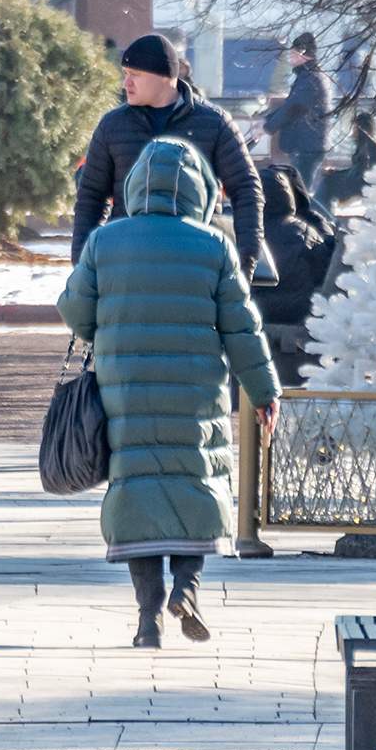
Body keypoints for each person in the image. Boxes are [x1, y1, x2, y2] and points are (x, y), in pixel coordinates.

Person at [59, 137, 282, 648]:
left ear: (136, 187)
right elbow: (242, 330)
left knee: (138, 494)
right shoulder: (213, 246)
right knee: (192, 488)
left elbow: (74, 312)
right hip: (195, 396)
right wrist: (265, 390)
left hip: (127, 394)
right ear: (200, 192)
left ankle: (147, 620)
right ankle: (188, 587)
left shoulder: (105, 243)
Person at [71, 33, 265, 279]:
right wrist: (82, 267)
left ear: (164, 77)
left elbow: (247, 191)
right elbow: (90, 197)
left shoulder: (214, 124)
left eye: (135, 75)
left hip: (196, 266)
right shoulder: (113, 126)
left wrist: (245, 265)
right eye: (125, 74)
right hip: (128, 264)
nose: (126, 83)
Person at [253, 165, 337, 327]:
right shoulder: (305, 230)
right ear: (287, 196)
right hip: (296, 310)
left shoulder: (241, 229)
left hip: (254, 308)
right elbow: (322, 270)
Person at [262, 32, 334, 199]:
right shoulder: (308, 77)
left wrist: (267, 127)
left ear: (303, 53)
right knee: (300, 189)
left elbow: (293, 108)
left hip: (307, 146)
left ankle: (308, 220)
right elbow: (290, 105)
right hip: (307, 144)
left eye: (293, 52)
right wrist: (266, 121)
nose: (290, 57)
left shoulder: (310, 79)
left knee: (301, 192)